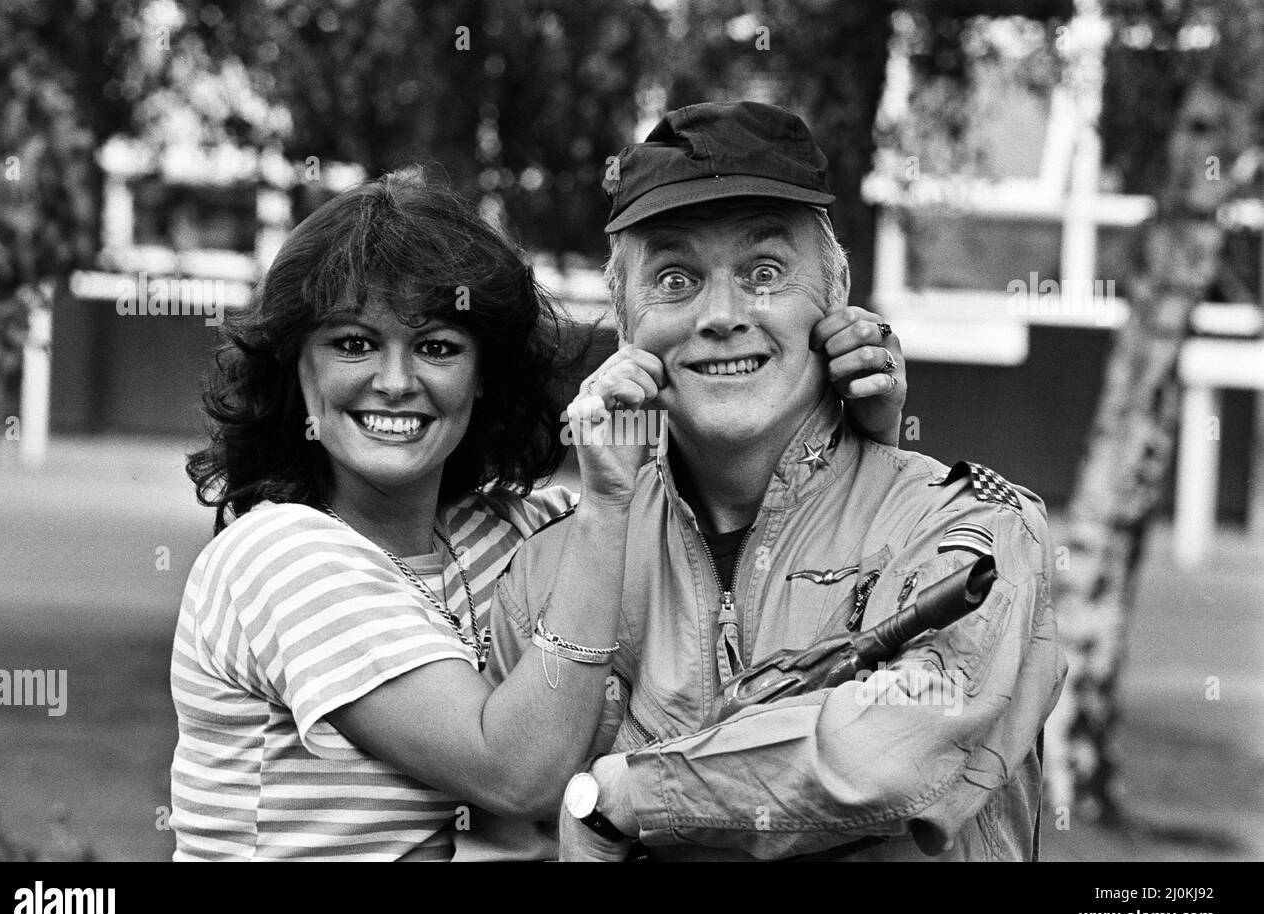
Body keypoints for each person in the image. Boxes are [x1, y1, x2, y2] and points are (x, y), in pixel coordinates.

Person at [170, 170, 906, 860]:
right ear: (297, 365)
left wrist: (855, 425)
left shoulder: (512, 536)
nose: (394, 382)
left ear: (484, 375)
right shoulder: (279, 556)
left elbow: (730, 550)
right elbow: (515, 776)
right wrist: (610, 501)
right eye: (353, 344)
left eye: (436, 346)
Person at [463, 101, 1067, 862]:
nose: (721, 314)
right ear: (625, 326)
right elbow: (509, 836)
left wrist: (627, 795)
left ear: (835, 306)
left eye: (765, 272)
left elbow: (895, 755)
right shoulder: (552, 572)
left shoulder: (968, 527)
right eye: (676, 278)